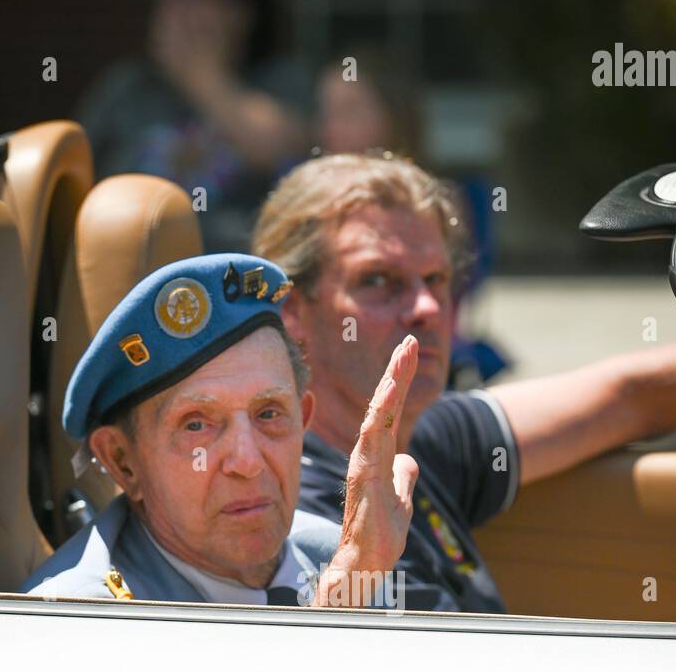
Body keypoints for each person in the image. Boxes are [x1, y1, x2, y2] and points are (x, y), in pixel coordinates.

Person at [251, 152, 676, 612]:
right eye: (379, 281)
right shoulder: (287, 511)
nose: (429, 308)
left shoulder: (424, 440)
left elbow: (634, 397)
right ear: (293, 311)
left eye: (436, 280)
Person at [21, 253, 419, 608]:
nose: (247, 462)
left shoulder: (331, 549)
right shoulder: (81, 617)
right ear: (123, 462)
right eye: (196, 425)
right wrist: (345, 592)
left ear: (303, 419)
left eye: (269, 414)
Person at [75, 0, 311, 251]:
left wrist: (203, 78)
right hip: (131, 273)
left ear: (242, 12)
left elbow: (275, 147)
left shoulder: (279, 80)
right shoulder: (126, 89)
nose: (179, 11)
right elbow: (72, 178)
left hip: (241, 276)